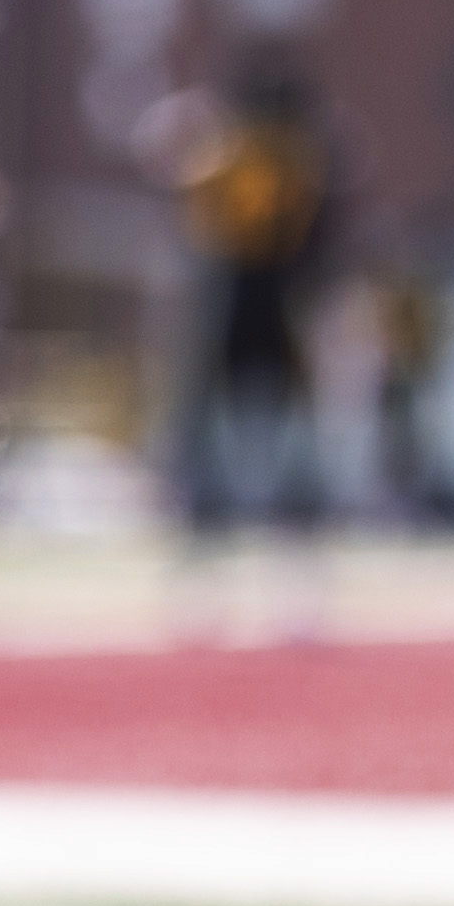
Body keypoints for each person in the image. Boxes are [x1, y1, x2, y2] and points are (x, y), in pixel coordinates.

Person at [169, 53, 342, 625]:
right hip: (255, 307)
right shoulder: (284, 159)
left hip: (254, 307)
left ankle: (242, 572)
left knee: (270, 447)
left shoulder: (252, 157)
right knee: (241, 446)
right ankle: (228, 570)